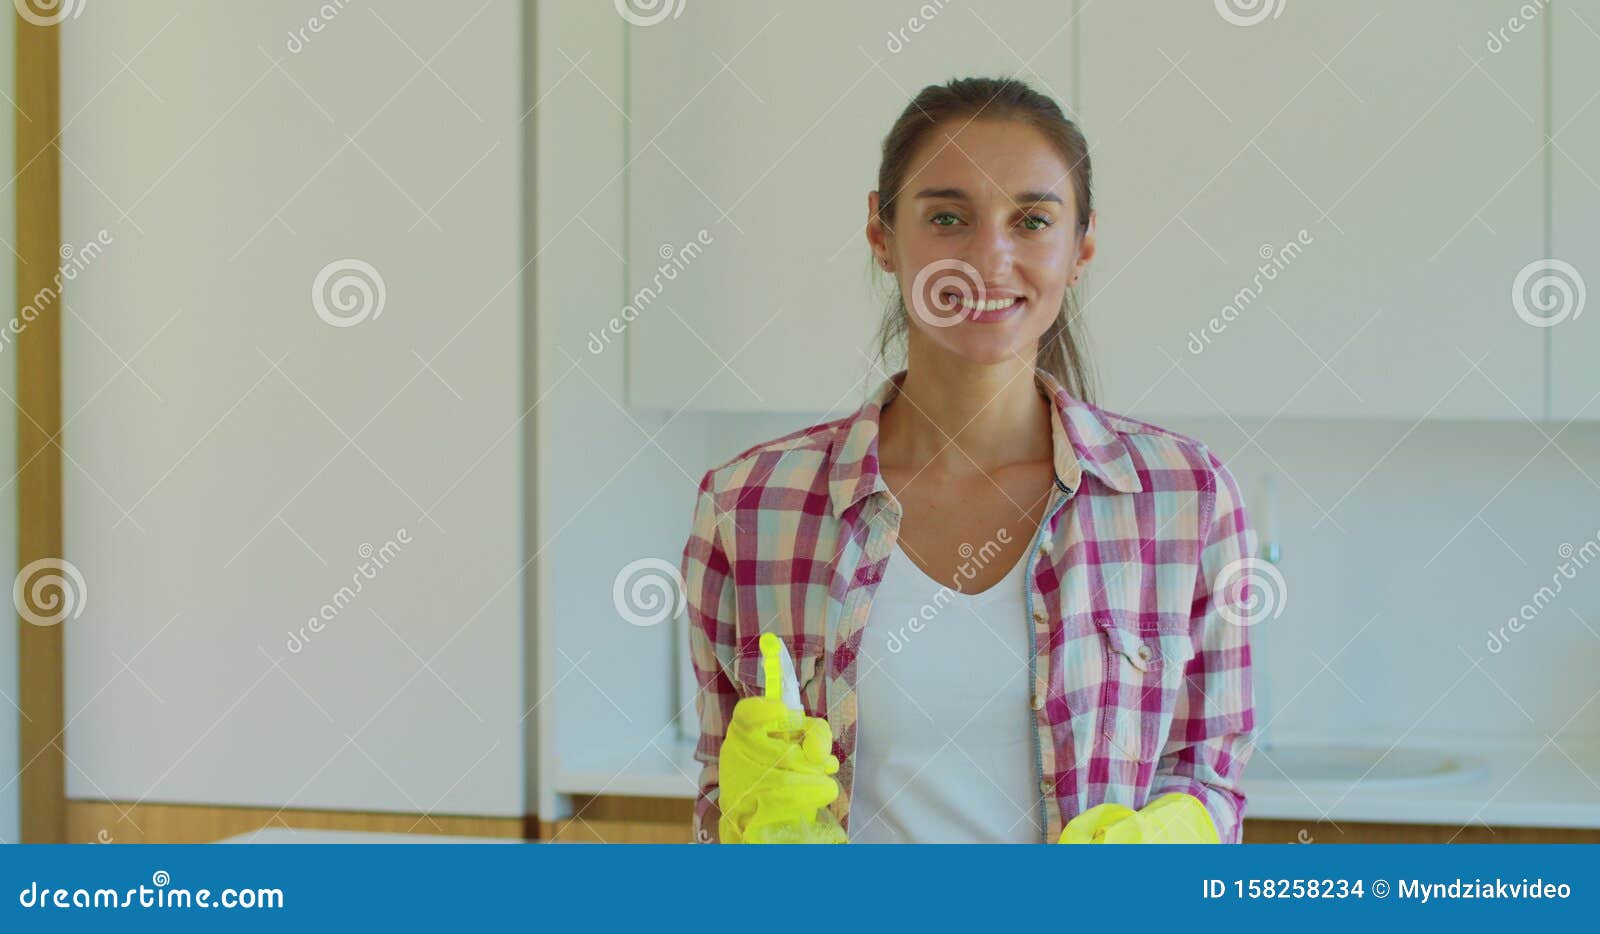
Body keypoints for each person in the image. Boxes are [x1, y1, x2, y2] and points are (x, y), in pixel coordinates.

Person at [680, 76, 1258, 844]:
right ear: (882, 235)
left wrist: (1174, 840)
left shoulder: (1184, 498)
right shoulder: (750, 506)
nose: (988, 259)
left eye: (1032, 220)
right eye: (947, 217)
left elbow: (1210, 772)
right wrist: (750, 831)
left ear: (1081, 247)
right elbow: (722, 795)